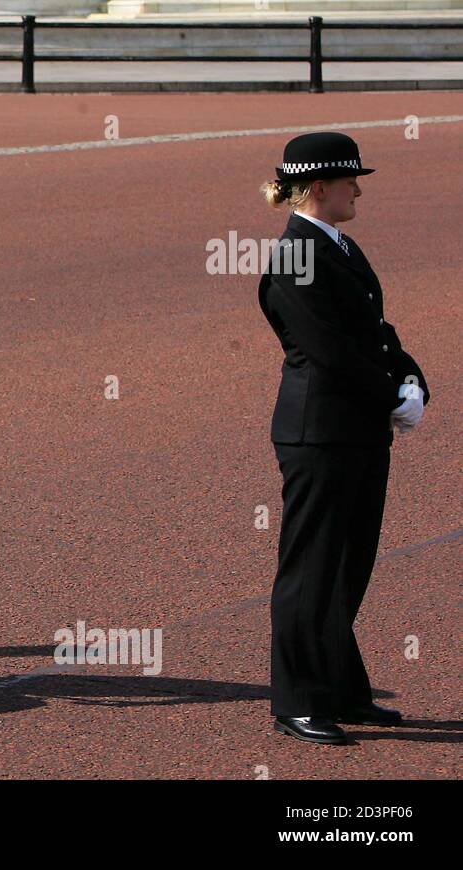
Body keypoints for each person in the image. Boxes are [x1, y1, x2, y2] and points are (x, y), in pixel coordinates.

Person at [258, 131, 429, 745]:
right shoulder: (295, 256)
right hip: (320, 431)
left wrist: (411, 379)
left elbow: (375, 332)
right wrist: (391, 398)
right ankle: (298, 699)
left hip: (356, 428)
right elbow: (327, 349)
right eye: (351, 179)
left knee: (348, 566)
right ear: (320, 186)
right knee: (311, 568)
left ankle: (340, 689)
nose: (359, 188)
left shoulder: (339, 244)